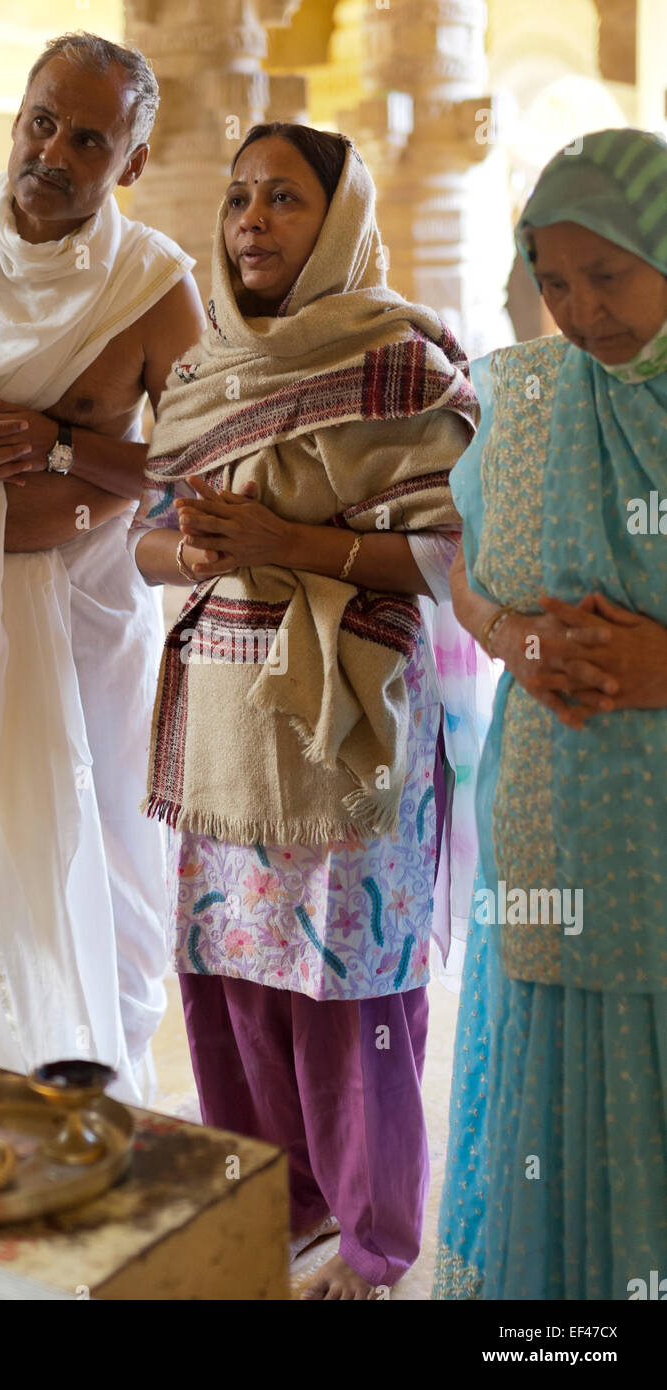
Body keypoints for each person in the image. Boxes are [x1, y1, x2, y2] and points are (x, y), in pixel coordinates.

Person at [130, 123, 483, 1297]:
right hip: (223, 718)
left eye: (282, 199)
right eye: (237, 198)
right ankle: (273, 1204)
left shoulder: (404, 361)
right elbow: (143, 549)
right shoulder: (201, 372)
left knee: (351, 991)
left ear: (336, 219)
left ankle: (373, 1243)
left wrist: (288, 544)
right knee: (232, 983)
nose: (249, 223)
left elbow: (448, 556)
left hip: (348, 724)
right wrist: (194, 546)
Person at [0, 33, 206, 1105]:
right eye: (41, 122)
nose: (53, 151)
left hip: (89, 602)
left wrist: (55, 443)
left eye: (89, 139)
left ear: (133, 161)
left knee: (102, 849)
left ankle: (117, 1097)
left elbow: (194, 462)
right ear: (19, 115)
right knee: (1, 859)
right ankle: (34, 1080)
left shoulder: (155, 287)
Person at [434, 127, 667, 1299]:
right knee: (554, 1094)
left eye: (608, 276)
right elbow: (467, 579)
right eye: (555, 282)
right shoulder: (524, 398)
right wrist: (512, 636)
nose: (580, 313)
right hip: (552, 821)